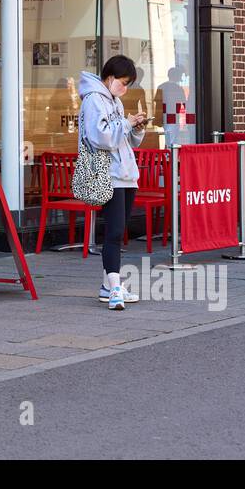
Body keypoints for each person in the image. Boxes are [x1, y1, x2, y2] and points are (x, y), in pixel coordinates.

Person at [78, 54, 148, 311]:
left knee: (118, 232)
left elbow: (125, 140)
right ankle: (115, 287)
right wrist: (126, 123)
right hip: (110, 174)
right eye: (123, 82)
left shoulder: (113, 100)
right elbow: (102, 138)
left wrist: (136, 127)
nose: (125, 88)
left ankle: (108, 286)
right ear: (110, 78)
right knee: (115, 231)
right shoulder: (95, 99)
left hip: (126, 174)